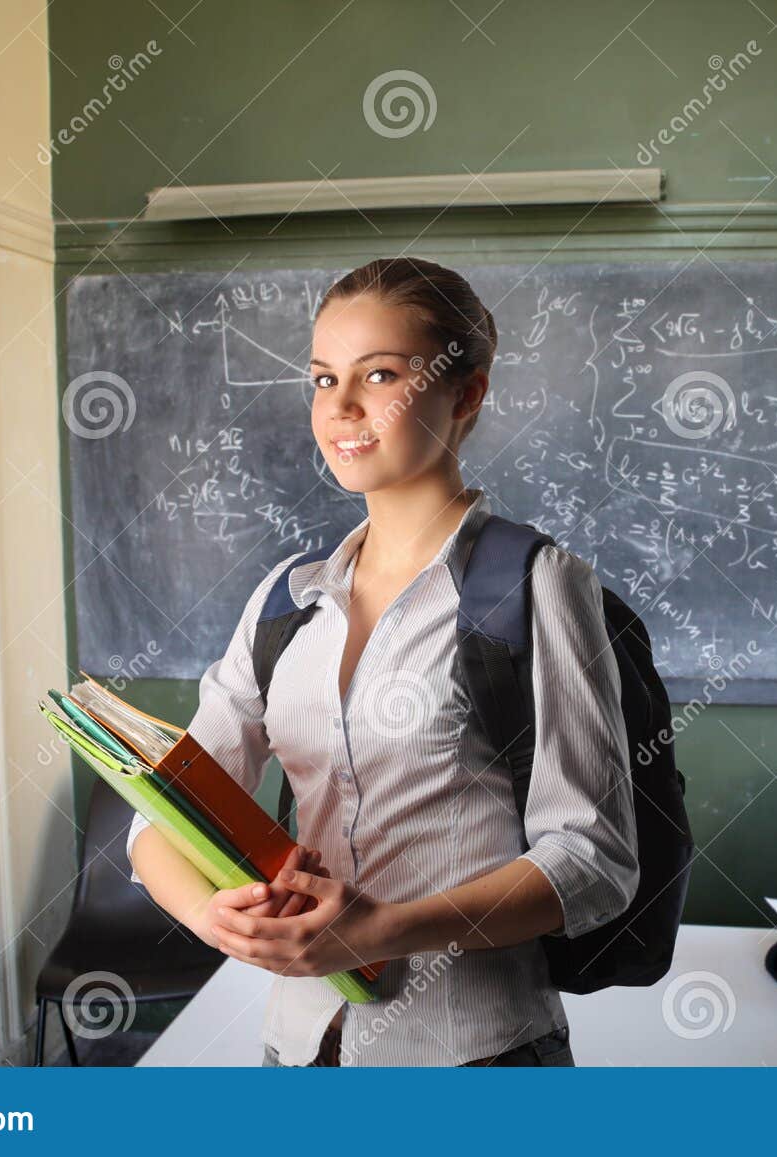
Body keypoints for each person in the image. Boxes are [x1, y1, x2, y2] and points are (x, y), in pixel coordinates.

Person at [126, 256, 639, 1066]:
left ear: (464, 393)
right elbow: (165, 810)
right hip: (297, 1049)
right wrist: (211, 917)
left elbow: (593, 861)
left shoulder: (538, 586)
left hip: (478, 1057)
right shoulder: (285, 602)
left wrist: (389, 930)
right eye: (324, 379)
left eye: (381, 374)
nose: (343, 408)